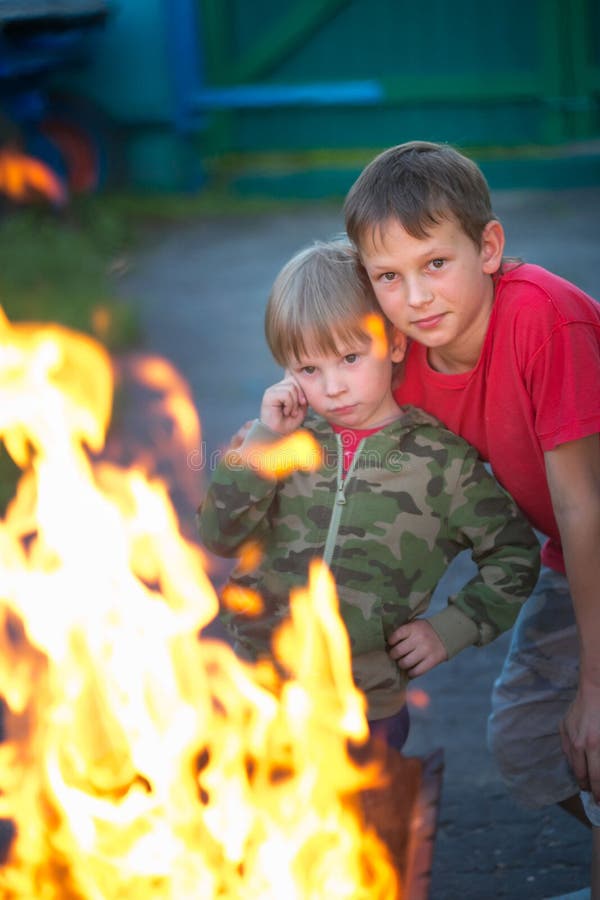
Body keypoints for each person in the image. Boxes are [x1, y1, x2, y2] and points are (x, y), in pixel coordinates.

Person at [343, 139, 600, 885]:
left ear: (488, 248)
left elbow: (582, 504)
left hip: (588, 531)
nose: (416, 298)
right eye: (388, 277)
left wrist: (595, 684)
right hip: (570, 554)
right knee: (527, 742)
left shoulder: (544, 320)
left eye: (435, 264)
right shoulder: (403, 355)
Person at [197, 239, 540, 755]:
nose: (333, 387)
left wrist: (452, 627)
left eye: (351, 358)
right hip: (258, 696)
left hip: (367, 708)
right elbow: (219, 537)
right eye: (308, 370)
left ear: (395, 344)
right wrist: (262, 443)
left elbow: (514, 553)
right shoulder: (273, 443)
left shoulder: (442, 462)